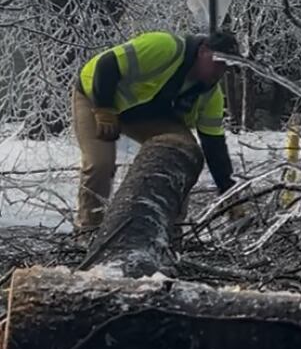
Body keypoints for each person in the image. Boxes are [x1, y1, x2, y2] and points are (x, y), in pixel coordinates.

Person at [72, 30, 238, 231]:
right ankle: (88, 229)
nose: (220, 72)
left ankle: (170, 230)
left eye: (226, 67)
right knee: (100, 164)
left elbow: (214, 147)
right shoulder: (164, 47)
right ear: (203, 51)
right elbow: (107, 65)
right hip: (97, 97)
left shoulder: (211, 96)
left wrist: (229, 192)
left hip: (145, 115)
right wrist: (104, 109)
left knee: (182, 155)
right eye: (218, 63)